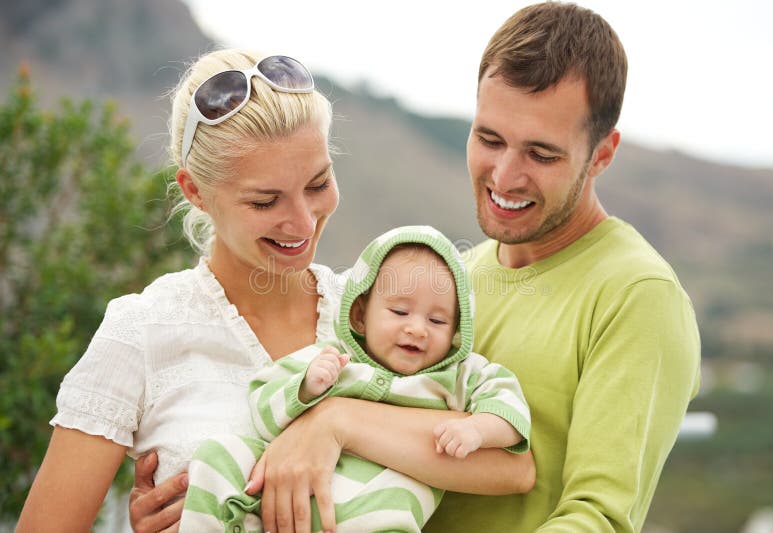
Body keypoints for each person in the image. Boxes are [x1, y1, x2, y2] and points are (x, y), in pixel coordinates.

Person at [16, 50, 533, 533]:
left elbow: (510, 467)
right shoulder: (142, 331)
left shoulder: (377, 313)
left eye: (317, 183)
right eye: (265, 201)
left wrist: (334, 421)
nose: (303, 221)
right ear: (195, 190)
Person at [424, 3, 702, 531]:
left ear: (601, 154)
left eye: (541, 154)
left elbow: (597, 518)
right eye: (489, 139)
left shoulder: (638, 294)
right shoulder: (451, 276)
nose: (505, 176)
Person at [178, 226, 531, 532]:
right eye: (399, 311)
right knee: (217, 454)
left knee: (393, 507)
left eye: (438, 321)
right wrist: (306, 388)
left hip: (377, 511)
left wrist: (479, 428)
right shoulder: (332, 357)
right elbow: (262, 404)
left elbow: (510, 411)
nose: (417, 329)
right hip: (282, 495)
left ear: (457, 332)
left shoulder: (461, 374)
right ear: (360, 315)